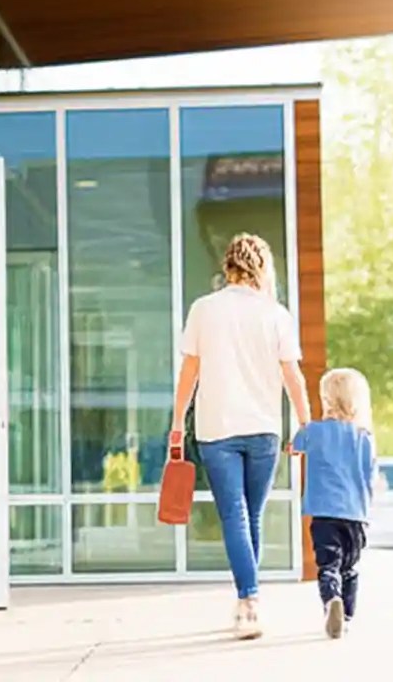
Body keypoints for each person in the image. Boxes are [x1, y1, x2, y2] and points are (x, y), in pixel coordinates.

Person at [171, 233, 311, 640]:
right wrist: (306, 424)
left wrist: (178, 422)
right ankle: (249, 600)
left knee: (235, 514)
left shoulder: (204, 310)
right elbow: (293, 378)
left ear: (227, 265)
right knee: (251, 514)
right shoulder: (276, 315)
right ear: (262, 267)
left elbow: (189, 374)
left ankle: (248, 601)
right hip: (264, 429)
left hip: (217, 429)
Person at [290, 368, 376, 640]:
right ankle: (347, 616)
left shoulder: (314, 432)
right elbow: (370, 476)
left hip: (324, 514)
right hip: (355, 515)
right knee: (349, 569)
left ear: (326, 399)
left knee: (328, 566)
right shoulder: (364, 437)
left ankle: (331, 601)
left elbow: (294, 446)